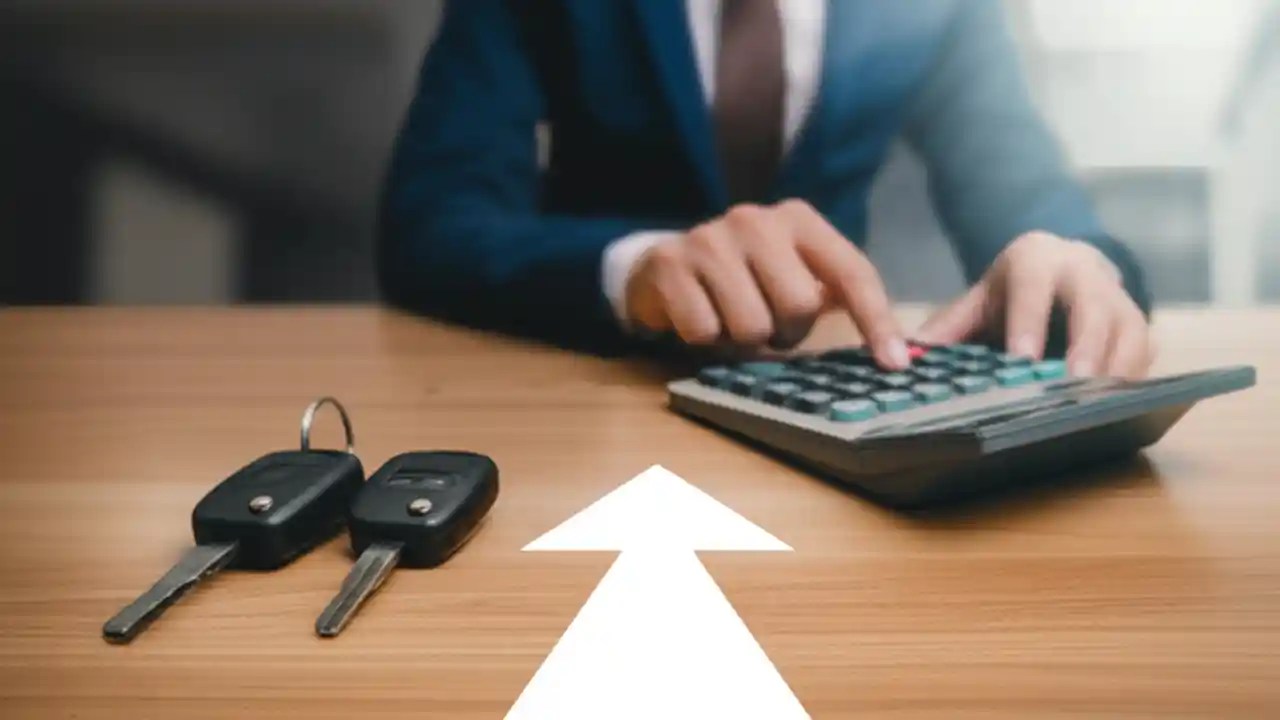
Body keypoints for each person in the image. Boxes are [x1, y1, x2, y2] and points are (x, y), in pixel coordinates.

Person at [378, 0, 1154, 377]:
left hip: (828, 396)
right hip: (586, 395)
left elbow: (1024, 189)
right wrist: (635, 266)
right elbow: (433, 223)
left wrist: (1076, 261)